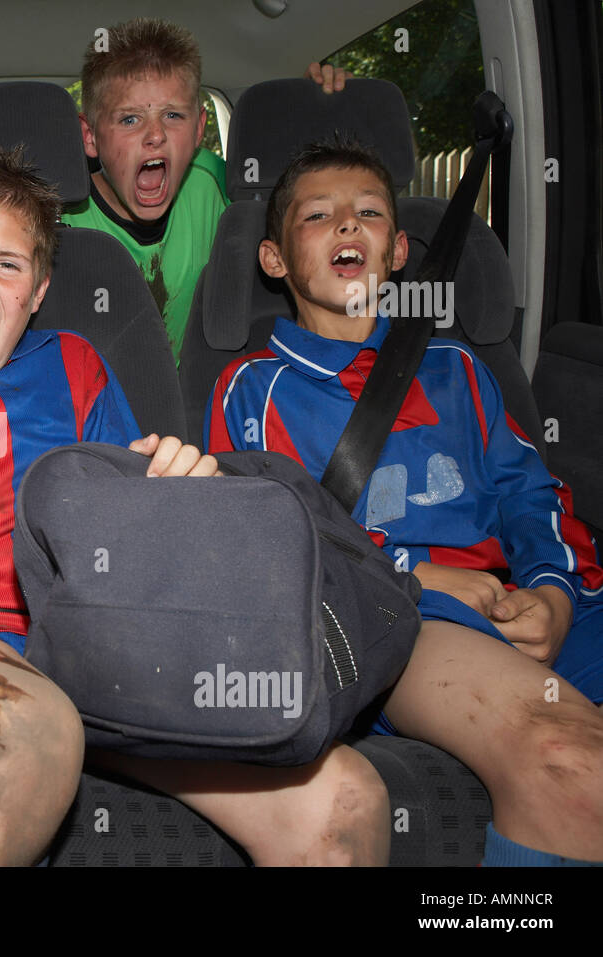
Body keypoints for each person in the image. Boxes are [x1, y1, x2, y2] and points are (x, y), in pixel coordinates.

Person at [0, 146, 393, 867]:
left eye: (7, 264)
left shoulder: (76, 368)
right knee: (16, 741)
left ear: (37, 290)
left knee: (345, 801)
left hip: (93, 652)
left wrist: (177, 498)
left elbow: (130, 544)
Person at [205, 136, 603, 865]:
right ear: (274, 259)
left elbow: (532, 494)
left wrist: (553, 592)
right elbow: (265, 543)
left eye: (369, 214)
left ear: (397, 252)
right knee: (566, 758)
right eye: (319, 216)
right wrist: (409, 577)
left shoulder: (461, 371)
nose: (348, 226)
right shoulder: (254, 390)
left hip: (534, 605)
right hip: (395, 619)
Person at [0, 18, 346, 364]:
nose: (154, 135)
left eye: (173, 115)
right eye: (129, 119)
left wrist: (316, 114)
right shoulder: (45, 220)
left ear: (198, 130)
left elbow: (313, 221)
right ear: (89, 137)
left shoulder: (215, 191)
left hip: (196, 401)